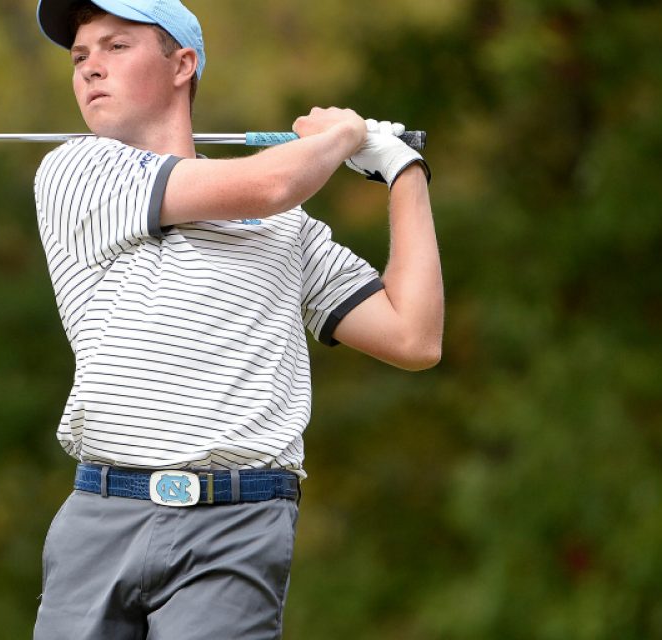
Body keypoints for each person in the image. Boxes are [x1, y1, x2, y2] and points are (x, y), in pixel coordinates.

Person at [30, 0, 443, 637]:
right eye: (81, 56)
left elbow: (413, 337)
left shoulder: (286, 230)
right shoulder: (77, 170)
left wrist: (400, 169)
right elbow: (266, 185)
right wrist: (341, 136)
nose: (89, 69)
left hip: (237, 525)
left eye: (115, 47)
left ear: (181, 64)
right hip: (102, 516)